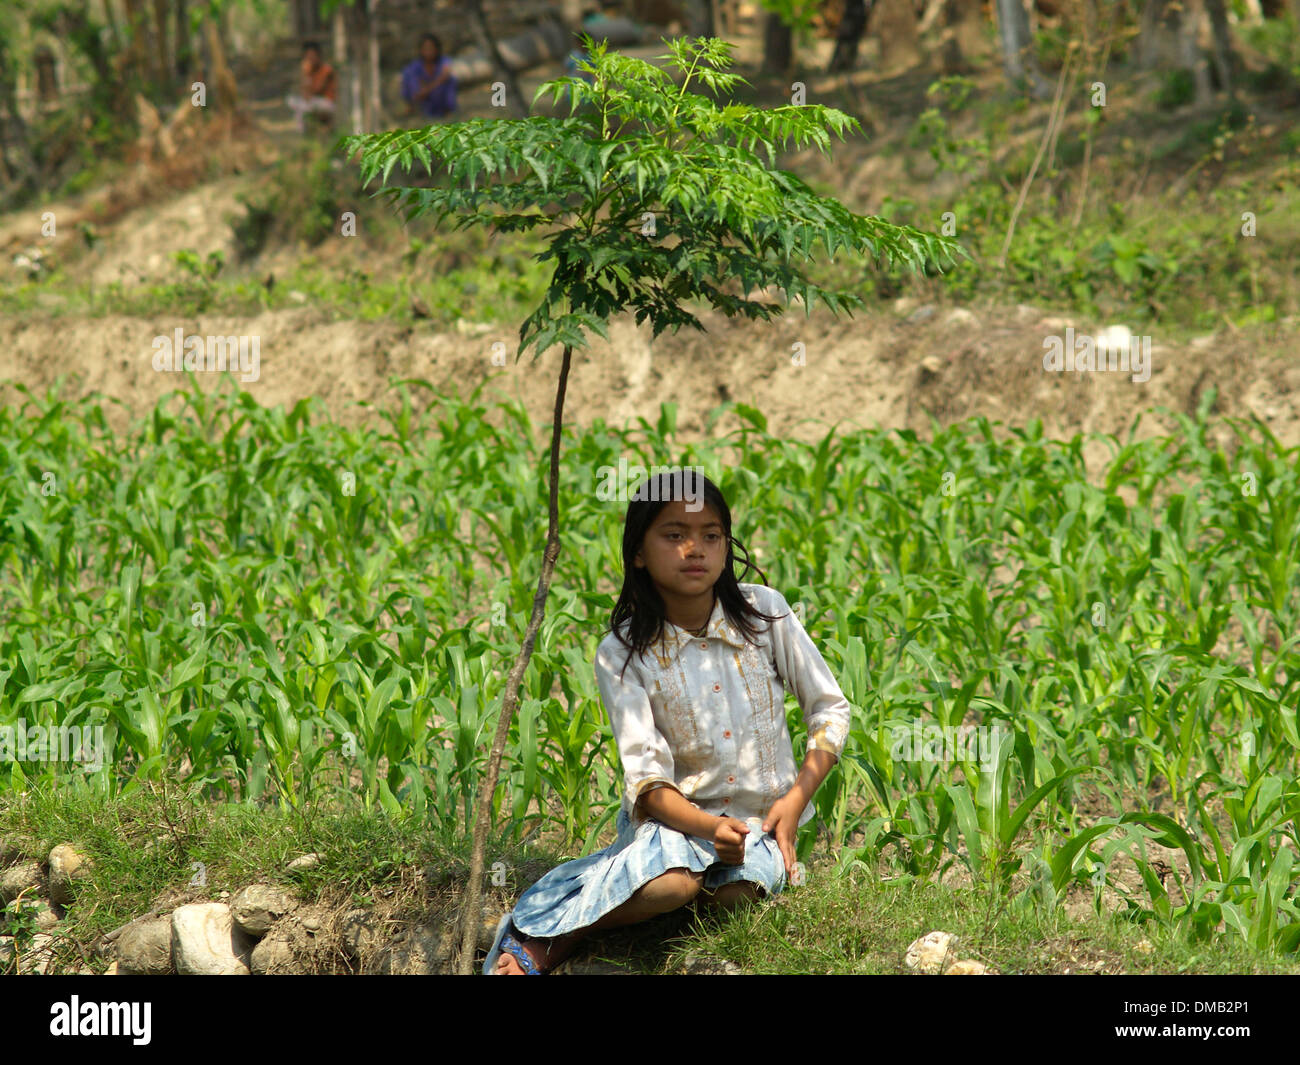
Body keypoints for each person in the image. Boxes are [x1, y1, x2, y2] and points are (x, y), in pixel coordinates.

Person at [483, 469, 852, 974]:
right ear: (638, 551)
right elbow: (649, 784)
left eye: (710, 536)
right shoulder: (624, 653)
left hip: (756, 828)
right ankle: (561, 931)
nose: (694, 549)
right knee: (672, 884)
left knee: (739, 894)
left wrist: (794, 800)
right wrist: (707, 827)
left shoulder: (766, 615)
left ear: (726, 546)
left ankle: (660, 907)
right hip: (672, 826)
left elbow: (829, 708)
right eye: (674, 535)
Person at [401, 33, 457, 119]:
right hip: (424, 101)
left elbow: (446, 74)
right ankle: (412, 108)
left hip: (439, 98)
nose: (428, 51)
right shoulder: (415, 66)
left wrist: (427, 89)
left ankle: (448, 110)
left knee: (451, 80)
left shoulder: (444, 61)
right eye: (425, 48)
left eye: (431, 48)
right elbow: (413, 86)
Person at [285, 41, 336, 134]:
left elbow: (316, 90)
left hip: (326, 103)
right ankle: (305, 133)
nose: (310, 59)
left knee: (303, 107)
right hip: (313, 102)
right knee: (291, 100)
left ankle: (306, 133)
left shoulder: (326, 70)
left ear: (318, 55)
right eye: (307, 56)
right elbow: (304, 93)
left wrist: (306, 74)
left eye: (312, 56)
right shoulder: (310, 70)